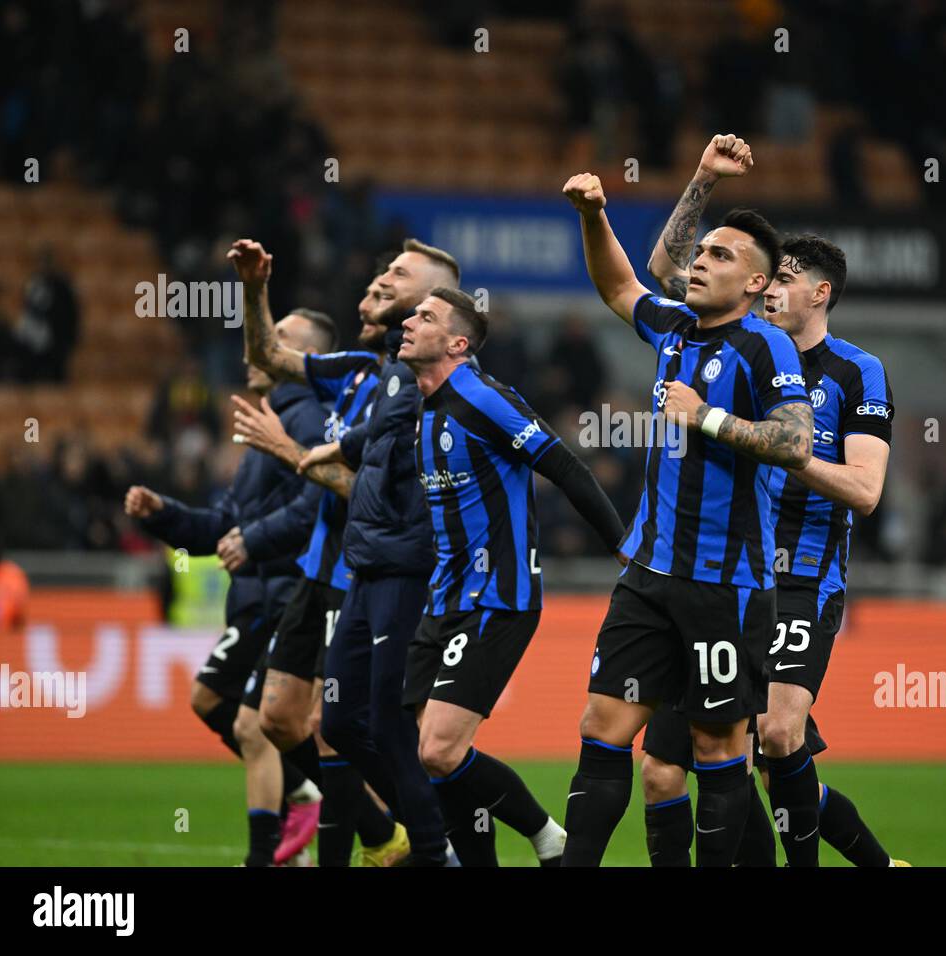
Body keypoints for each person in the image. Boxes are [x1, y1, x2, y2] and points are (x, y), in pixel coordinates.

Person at [638, 134, 903, 867]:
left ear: (819, 294)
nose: (768, 287)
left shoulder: (856, 372)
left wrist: (776, 444)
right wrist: (702, 182)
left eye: (783, 278)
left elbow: (867, 490)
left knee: (778, 737)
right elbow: (662, 268)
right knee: (727, 752)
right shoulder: (741, 344)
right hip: (724, 575)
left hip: (803, 577)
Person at [558, 169, 812, 866]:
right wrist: (593, 213)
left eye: (722, 256)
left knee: (716, 748)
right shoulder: (672, 328)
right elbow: (618, 286)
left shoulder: (766, 347)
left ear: (758, 284)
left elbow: (796, 442)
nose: (701, 261)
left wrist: (710, 418)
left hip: (724, 587)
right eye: (701, 253)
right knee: (601, 728)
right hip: (648, 576)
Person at [234, 237, 460, 867]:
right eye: (381, 271)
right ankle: (400, 830)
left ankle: (411, 839)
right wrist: (255, 287)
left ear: (433, 299)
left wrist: (289, 452)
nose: (379, 281)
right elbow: (269, 356)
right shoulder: (364, 371)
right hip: (321, 565)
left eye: (396, 274)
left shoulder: (431, 392)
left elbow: (380, 494)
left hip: (374, 574)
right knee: (278, 719)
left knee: (349, 731)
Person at [397, 287, 626, 865]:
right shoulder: (424, 407)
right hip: (443, 599)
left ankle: (549, 837)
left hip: (497, 595)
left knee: (440, 751)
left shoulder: (484, 397)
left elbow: (565, 464)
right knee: (441, 761)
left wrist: (621, 541)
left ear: (457, 342)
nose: (408, 321)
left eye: (424, 316)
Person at [125, 308, 333, 867]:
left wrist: (256, 538)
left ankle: (280, 846)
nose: (260, 345)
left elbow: (318, 505)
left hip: (289, 595)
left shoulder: (308, 417)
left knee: (253, 723)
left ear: (305, 359)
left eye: (280, 338)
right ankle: (316, 803)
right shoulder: (267, 421)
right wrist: (164, 515)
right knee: (232, 711)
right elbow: (223, 526)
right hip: (257, 597)